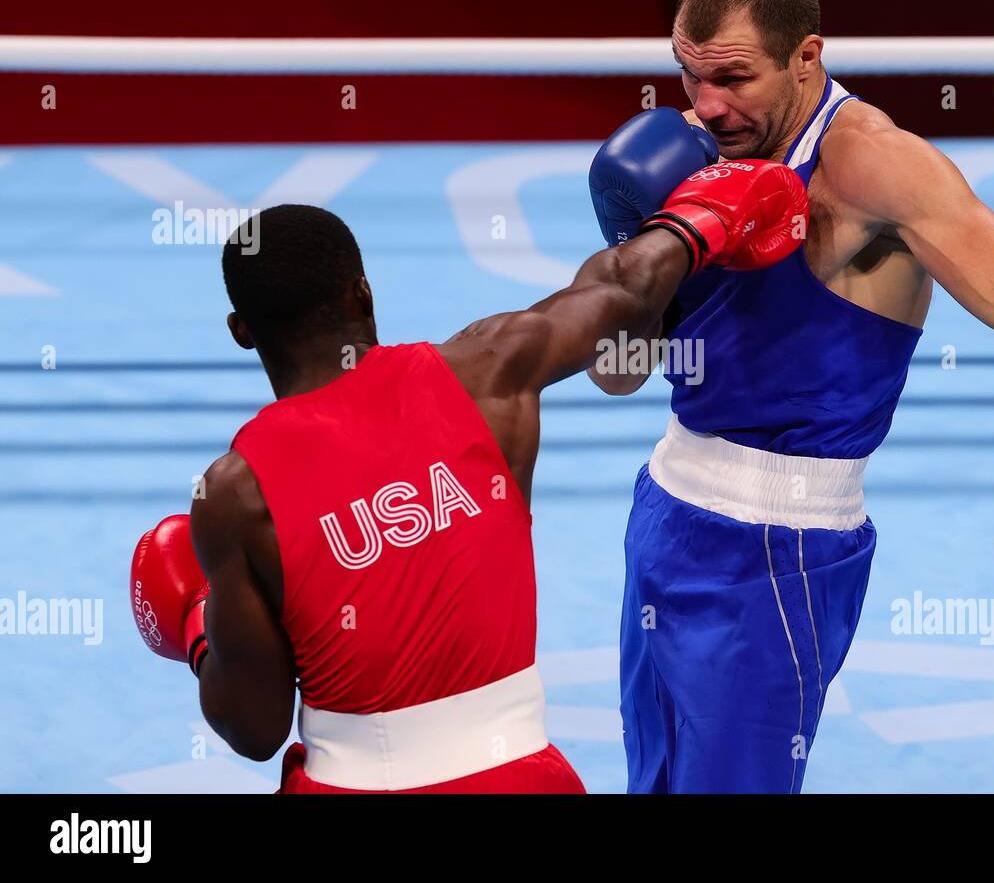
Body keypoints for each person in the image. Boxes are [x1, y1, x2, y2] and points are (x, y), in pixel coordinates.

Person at [586, 0, 994, 794]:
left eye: (733, 79)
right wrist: (636, 255)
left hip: (780, 548)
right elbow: (619, 375)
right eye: (688, 75)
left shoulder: (876, 165)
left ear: (807, 56)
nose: (705, 106)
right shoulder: (689, 154)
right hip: (663, 512)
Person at [129, 160, 808, 793]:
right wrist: (708, 216)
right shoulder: (486, 372)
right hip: (523, 776)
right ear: (362, 292)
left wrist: (195, 622)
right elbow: (624, 289)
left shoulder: (235, 496)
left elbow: (255, 729)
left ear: (242, 331)